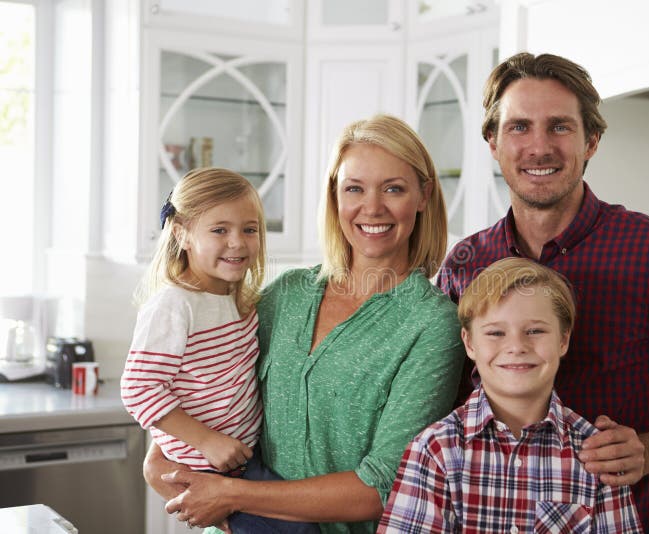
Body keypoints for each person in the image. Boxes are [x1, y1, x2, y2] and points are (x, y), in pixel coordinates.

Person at [436, 52, 649, 534]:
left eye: (560, 127)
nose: (539, 147)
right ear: (493, 142)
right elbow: (443, 402)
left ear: (591, 140)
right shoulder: (465, 263)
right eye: (519, 127)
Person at [142, 114, 465, 534]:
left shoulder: (431, 323)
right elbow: (210, 387)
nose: (372, 208)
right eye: (354, 188)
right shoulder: (288, 294)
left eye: (393, 189)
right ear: (335, 196)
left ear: (423, 196)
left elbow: (382, 486)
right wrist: (165, 457)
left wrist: (231, 496)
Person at [379, 257, 643, 533]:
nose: (516, 346)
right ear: (469, 343)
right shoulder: (434, 452)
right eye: (495, 332)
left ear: (563, 340)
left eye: (535, 331)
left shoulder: (596, 455)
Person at [121, 168, 315, 533]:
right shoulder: (175, 304)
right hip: (208, 466)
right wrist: (208, 442)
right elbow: (138, 388)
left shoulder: (234, 297)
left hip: (241, 460)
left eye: (250, 229)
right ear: (182, 233)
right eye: (219, 230)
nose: (237, 242)